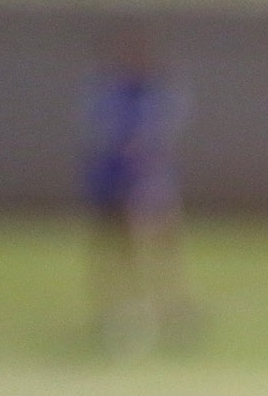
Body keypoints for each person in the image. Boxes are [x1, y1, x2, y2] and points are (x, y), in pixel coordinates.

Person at [84, 29, 196, 354]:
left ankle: (169, 307)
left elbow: (159, 132)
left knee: (163, 242)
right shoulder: (113, 91)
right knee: (117, 247)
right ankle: (123, 311)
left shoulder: (153, 93)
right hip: (116, 177)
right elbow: (107, 132)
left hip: (149, 178)